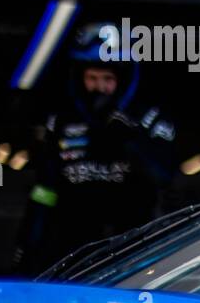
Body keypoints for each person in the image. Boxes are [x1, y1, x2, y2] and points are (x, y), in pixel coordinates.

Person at [14, 22, 175, 275]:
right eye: (92, 78)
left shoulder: (149, 120)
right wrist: (28, 244)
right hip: (72, 253)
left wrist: (129, 143)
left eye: (107, 79)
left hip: (136, 251)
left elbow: (165, 178)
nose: (99, 87)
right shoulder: (60, 123)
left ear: (122, 79)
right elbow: (44, 190)